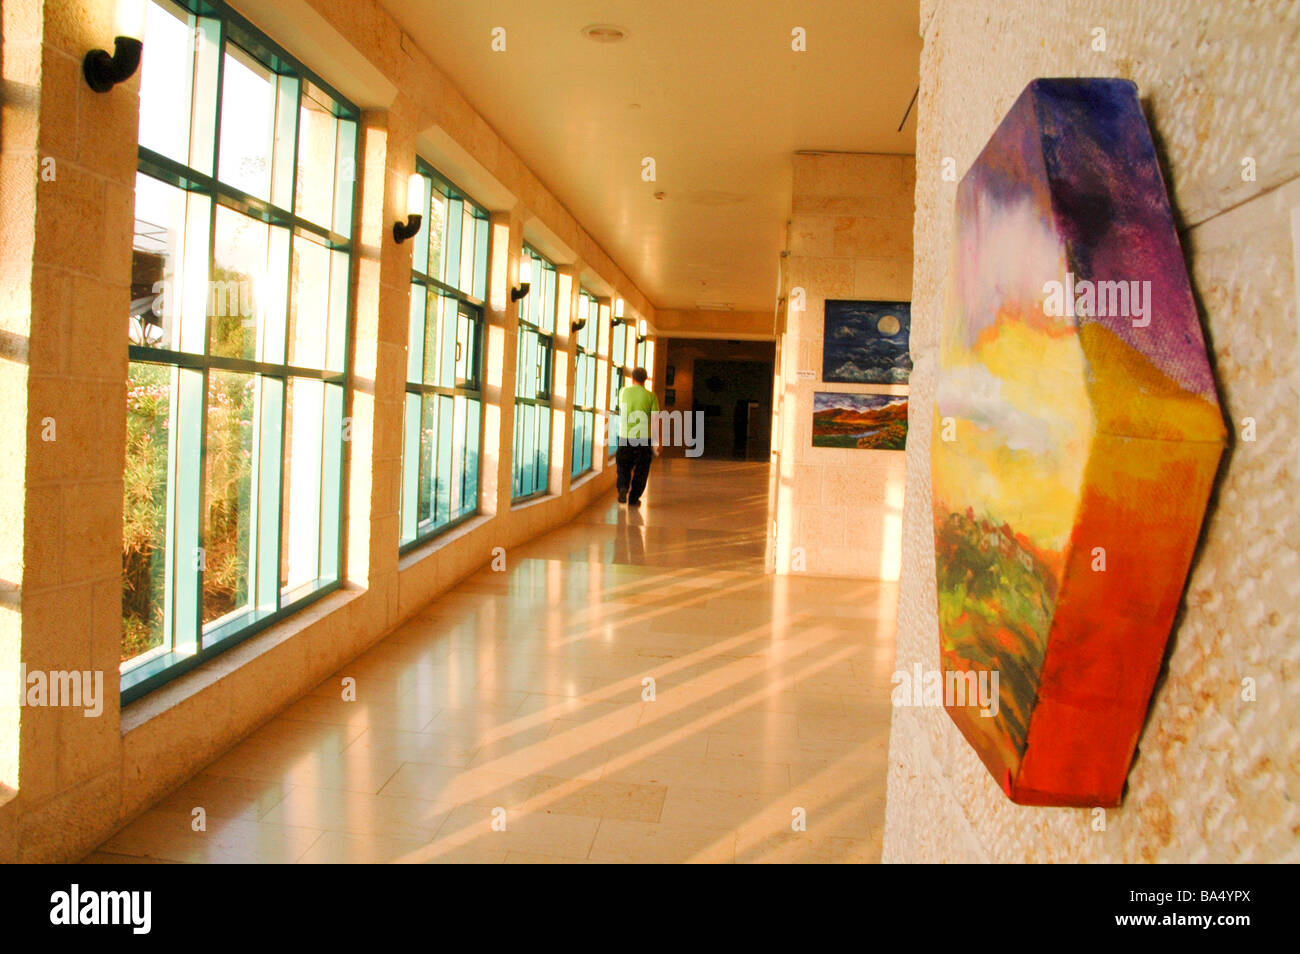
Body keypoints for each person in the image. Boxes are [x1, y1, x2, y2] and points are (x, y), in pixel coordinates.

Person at [615, 367, 659, 506]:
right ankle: (634, 498)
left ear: (632, 378)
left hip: (625, 436)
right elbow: (655, 419)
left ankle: (623, 487)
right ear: (645, 380)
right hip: (643, 439)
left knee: (623, 466)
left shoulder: (623, 392)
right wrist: (657, 441)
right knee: (642, 469)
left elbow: (620, 409)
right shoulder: (651, 396)